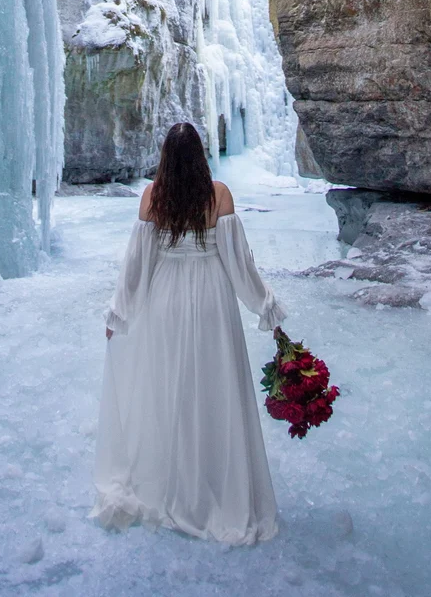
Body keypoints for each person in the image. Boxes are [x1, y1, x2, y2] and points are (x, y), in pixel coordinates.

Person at [91, 121, 286, 545]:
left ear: (165, 158)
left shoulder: (152, 198)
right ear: (200, 157)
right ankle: (214, 478)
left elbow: (135, 267)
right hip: (212, 301)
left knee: (169, 390)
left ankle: (172, 478)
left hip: (166, 302)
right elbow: (240, 265)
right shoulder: (219, 196)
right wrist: (265, 307)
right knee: (213, 389)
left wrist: (118, 315)